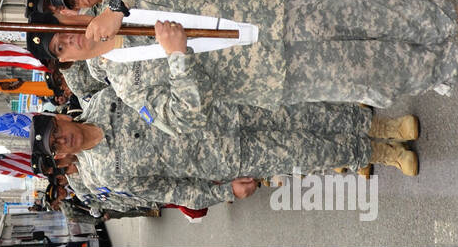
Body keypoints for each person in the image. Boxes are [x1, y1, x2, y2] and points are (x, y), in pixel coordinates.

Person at [24, 0, 458, 136]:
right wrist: (179, 62)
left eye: (60, 24)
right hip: (279, 73)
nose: (66, 38)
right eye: (59, 48)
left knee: (382, 9)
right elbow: (184, 120)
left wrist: (120, 0)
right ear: (65, 63)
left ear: (69, 11)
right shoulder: (128, 86)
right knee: (379, 68)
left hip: (276, 2)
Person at [34, 87, 421, 209]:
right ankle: (386, 155)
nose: (61, 141)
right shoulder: (106, 174)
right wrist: (223, 192)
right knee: (308, 152)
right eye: (55, 148)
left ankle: (384, 127)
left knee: (308, 115)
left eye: (55, 131)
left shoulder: (106, 98)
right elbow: (172, 190)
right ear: (61, 157)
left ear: (61, 118)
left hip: (224, 110)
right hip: (231, 156)